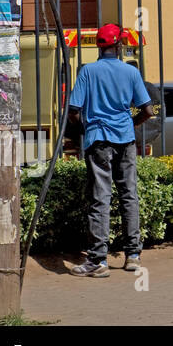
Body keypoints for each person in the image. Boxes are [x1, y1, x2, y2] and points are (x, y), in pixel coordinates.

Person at [67, 24, 154, 277]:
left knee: (100, 198)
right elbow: (147, 110)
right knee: (129, 195)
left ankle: (98, 260)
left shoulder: (87, 72)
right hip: (125, 140)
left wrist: (85, 128)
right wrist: (130, 124)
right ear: (118, 46)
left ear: (99, 46)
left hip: (98, 140)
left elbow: (73, 110)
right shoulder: (130, 71)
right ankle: (133, 256)